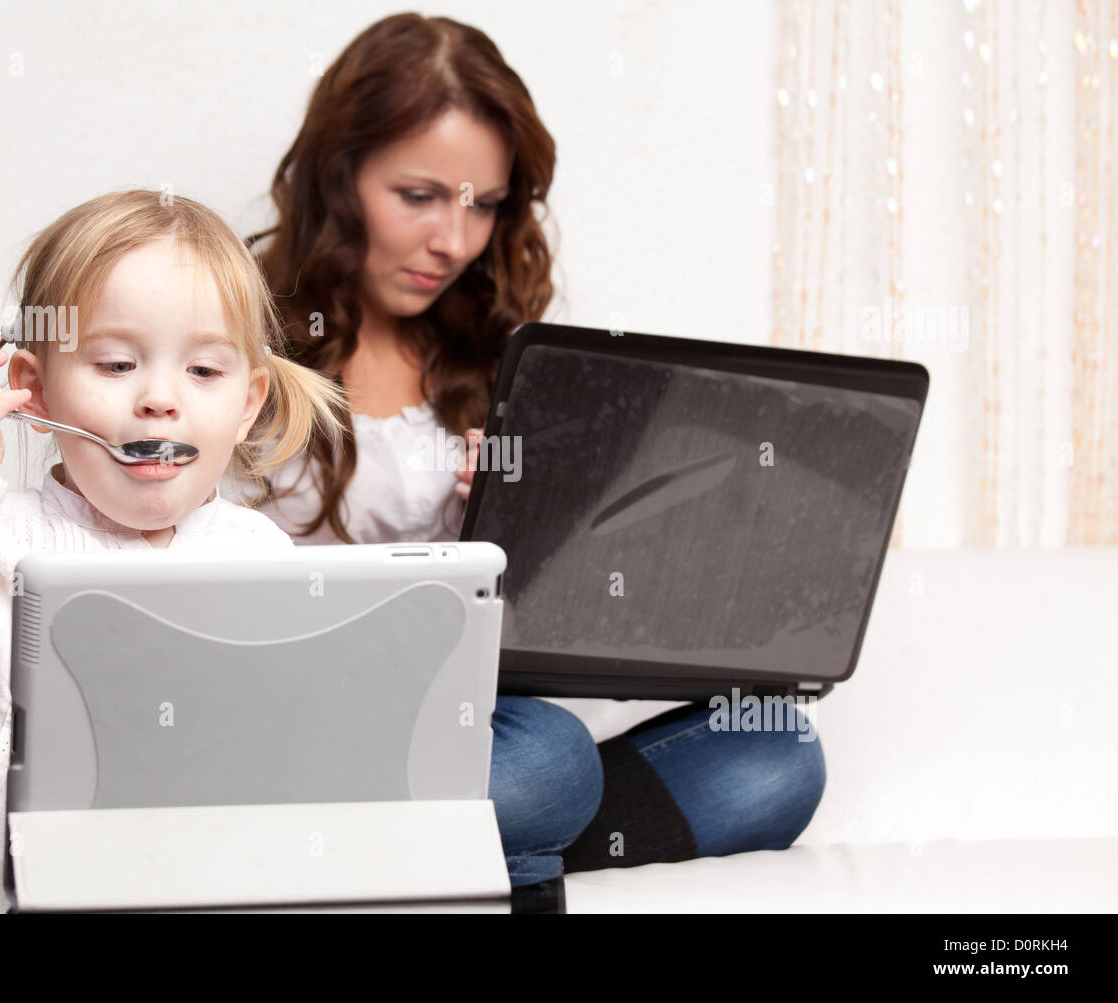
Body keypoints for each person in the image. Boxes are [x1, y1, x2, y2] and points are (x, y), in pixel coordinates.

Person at [232, 13, 827, 891]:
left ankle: (465, 852)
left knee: (775, 749)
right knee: (548, 760)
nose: (455, 241)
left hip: (467, 722)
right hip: (306, 720)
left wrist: (527, 521)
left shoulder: (501, 358)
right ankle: (491, 839)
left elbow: (539, 619)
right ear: (340, 172)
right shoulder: (233, 340)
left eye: (484, 203)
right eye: (420, 195)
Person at [0, 189, 347, 864]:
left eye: (203, 370)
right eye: (117, 364)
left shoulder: (262, 556)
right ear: (36, 393)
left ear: (247, 404)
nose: (160, 399)